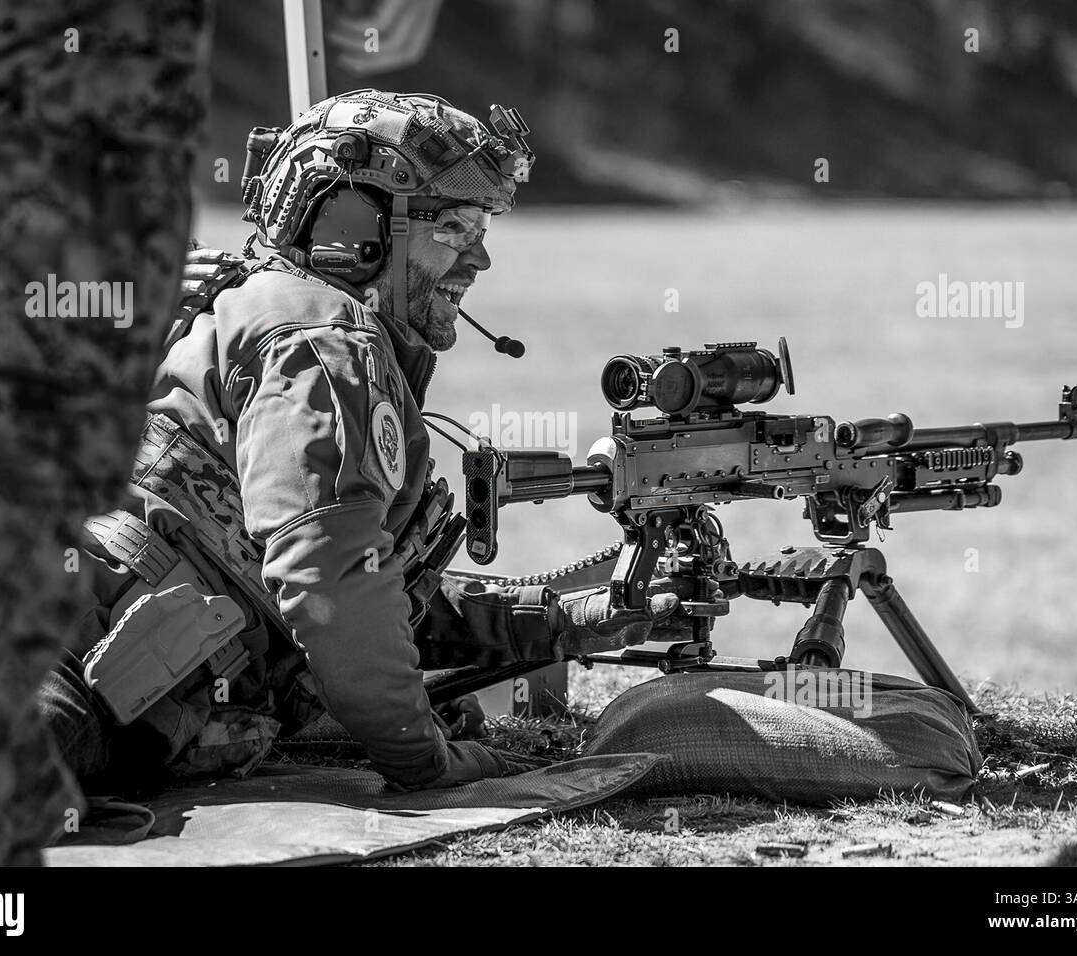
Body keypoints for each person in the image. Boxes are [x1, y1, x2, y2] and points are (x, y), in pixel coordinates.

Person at [39, 89, 683, 793]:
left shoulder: (289, 318)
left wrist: (557, 621)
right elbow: (328, 580)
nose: (480, 261)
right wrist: (420, 759)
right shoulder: (322, 340)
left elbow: (358, 584)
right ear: (356, 229)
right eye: (456, 229)